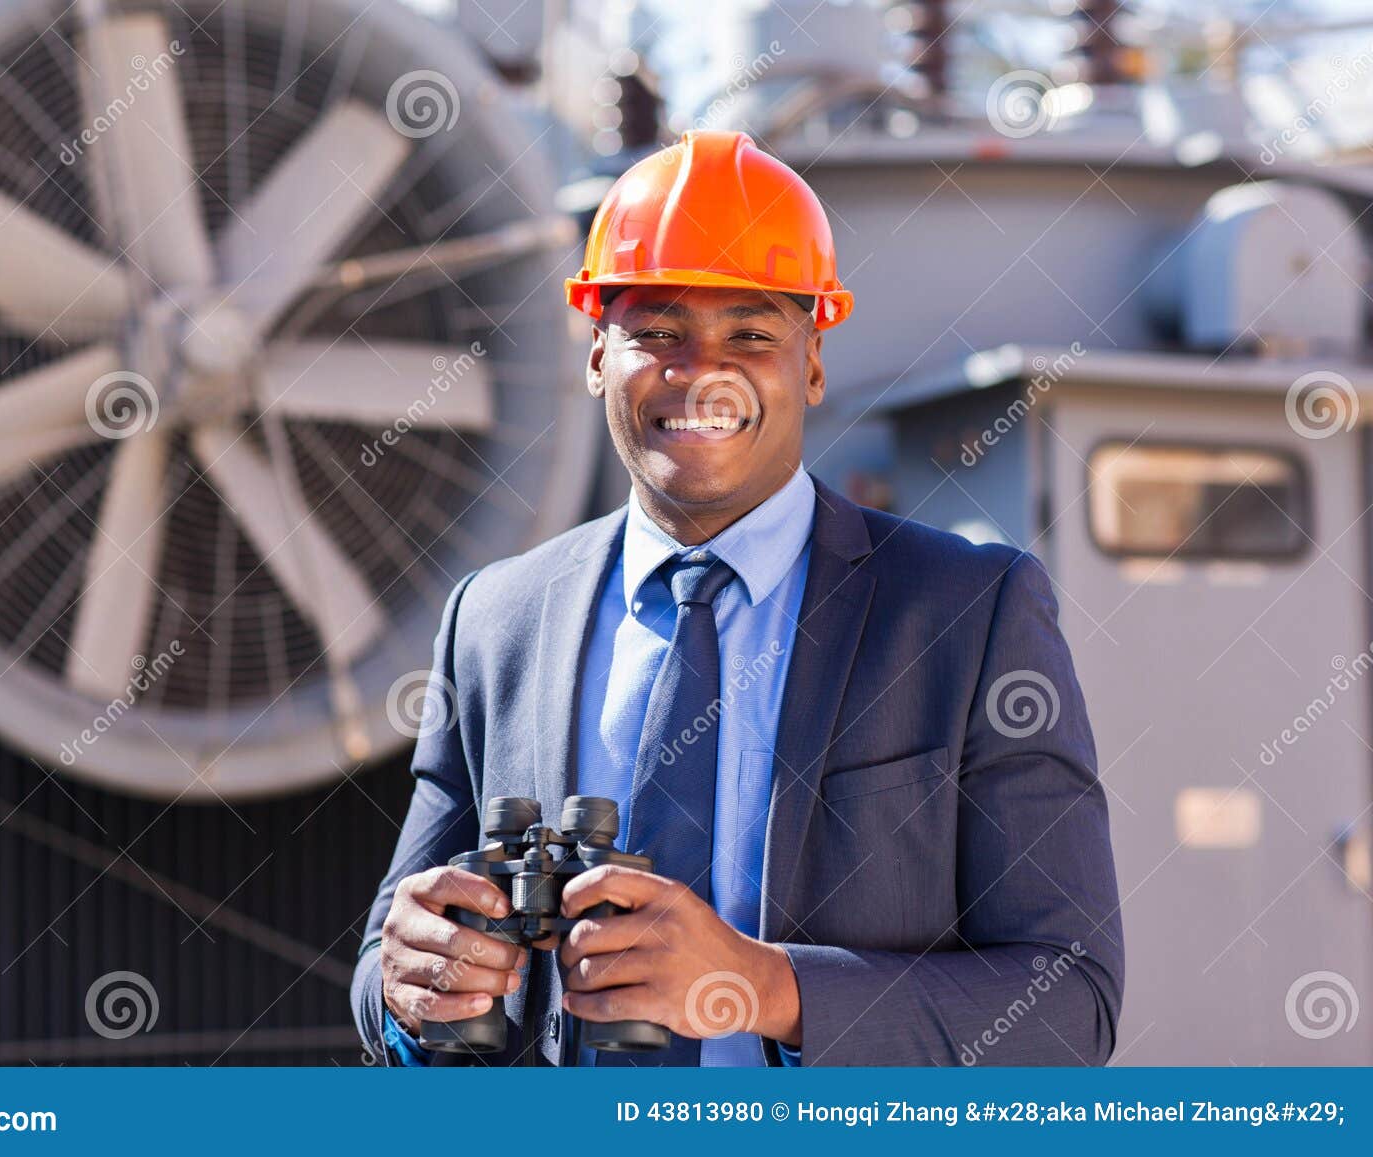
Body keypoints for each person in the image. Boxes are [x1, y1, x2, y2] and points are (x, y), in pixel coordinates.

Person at [351, 129, 1124, 1066]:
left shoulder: (966, 611)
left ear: (812, 362)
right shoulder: (498, 619)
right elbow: (386, 958)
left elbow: (1069, 1006)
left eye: (751, 334)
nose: (701, 371)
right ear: (597, 351)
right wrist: (408, 984)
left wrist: (762, 985)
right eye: (658, 332)